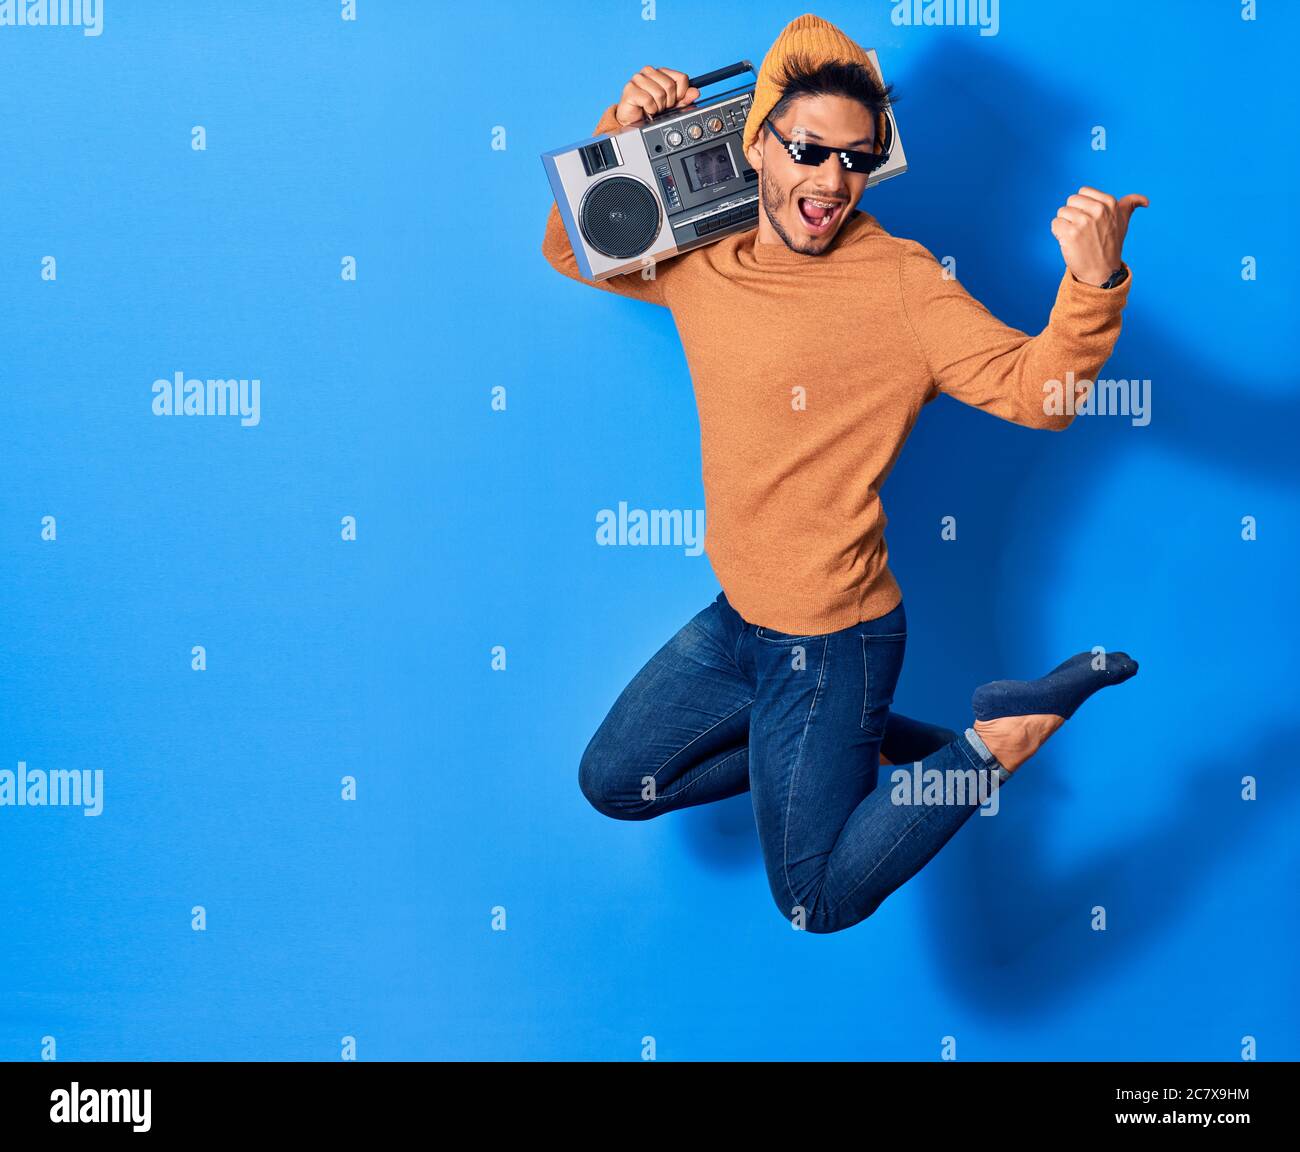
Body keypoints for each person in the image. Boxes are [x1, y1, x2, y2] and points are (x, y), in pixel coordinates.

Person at [541, 14, 1144, 934]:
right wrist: (619, 135)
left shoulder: (900, 282)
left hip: (831, 640)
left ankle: (997, 740)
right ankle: (879, 738)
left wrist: (1092, 286)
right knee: (615, 781)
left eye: (855, 160)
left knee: (815, 900)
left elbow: (1041, 394)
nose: (831, 182)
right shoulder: (702, 254)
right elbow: (567, 249)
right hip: (737, 618)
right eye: (810, 151)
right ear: (757, 144)